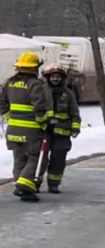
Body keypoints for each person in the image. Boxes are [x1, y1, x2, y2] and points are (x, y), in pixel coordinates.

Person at [0, 51, 51, 202]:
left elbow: (0, 104)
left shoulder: (9, 83)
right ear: (34, 68)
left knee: (19, 159)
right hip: (31, 130)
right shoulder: (35, 85)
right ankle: (24, 186)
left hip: (13, 130)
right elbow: (39, 108)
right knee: (36, 157)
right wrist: (44, 123)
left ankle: (22, 187)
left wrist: (10, 118)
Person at [41, 64, 81, 193]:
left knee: (58, 158)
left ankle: (54, 184)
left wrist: (75, 128)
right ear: (48, 78)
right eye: (52, 76)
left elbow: (74, 113)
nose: (55, 79)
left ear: (62, 78)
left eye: (58, 77)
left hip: (62, 133)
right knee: (40, 158)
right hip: (44, 131)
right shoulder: (41, 91)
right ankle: (34, 183)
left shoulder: (68, 94)